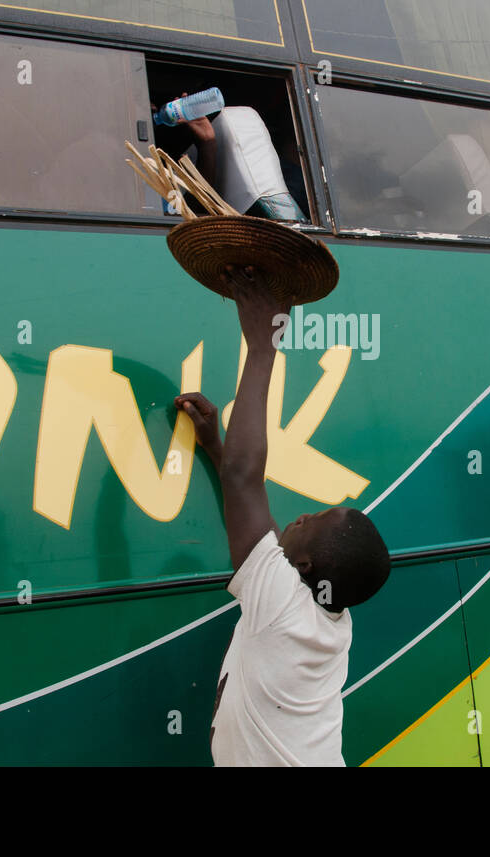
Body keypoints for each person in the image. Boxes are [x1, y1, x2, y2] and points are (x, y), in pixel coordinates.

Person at [174, 265, 390, 766]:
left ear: (308, 566)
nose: (297, 518)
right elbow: (259, 527)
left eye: (312, 521)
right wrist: (216, 447)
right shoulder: (324, 618)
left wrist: (262, 347)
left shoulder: (283, 608)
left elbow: (244, 482)